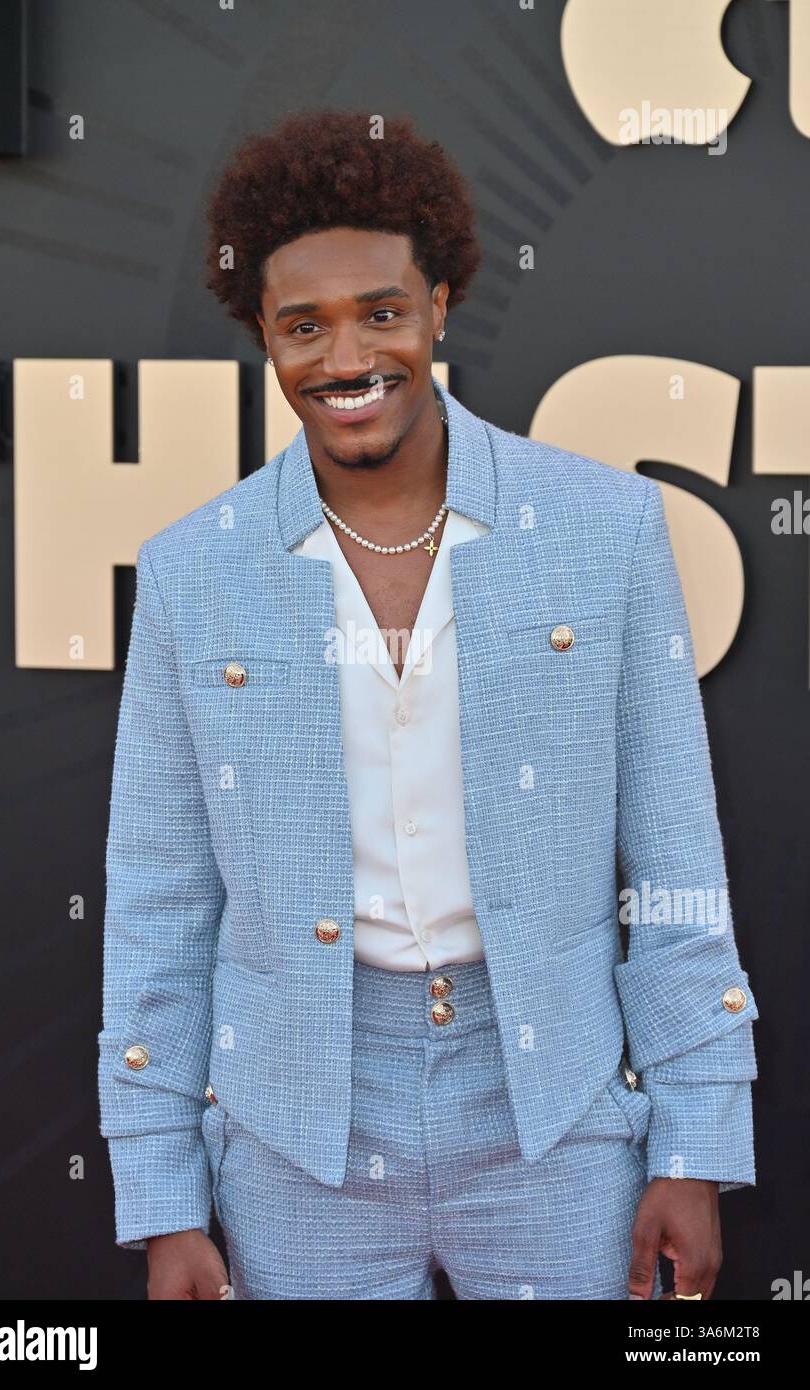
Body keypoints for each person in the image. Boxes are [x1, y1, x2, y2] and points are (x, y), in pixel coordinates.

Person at [97, 109, 759, 1300]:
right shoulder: (196, 570)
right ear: (263, 334)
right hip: (294, 1129)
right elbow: (160, 899)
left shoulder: (605, 530)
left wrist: (697, 1139)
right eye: (305, 325)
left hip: (556, 1110)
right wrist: (159, 1196)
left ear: (441, 303)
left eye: (383, 312)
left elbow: (674, 856)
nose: (348, 357)